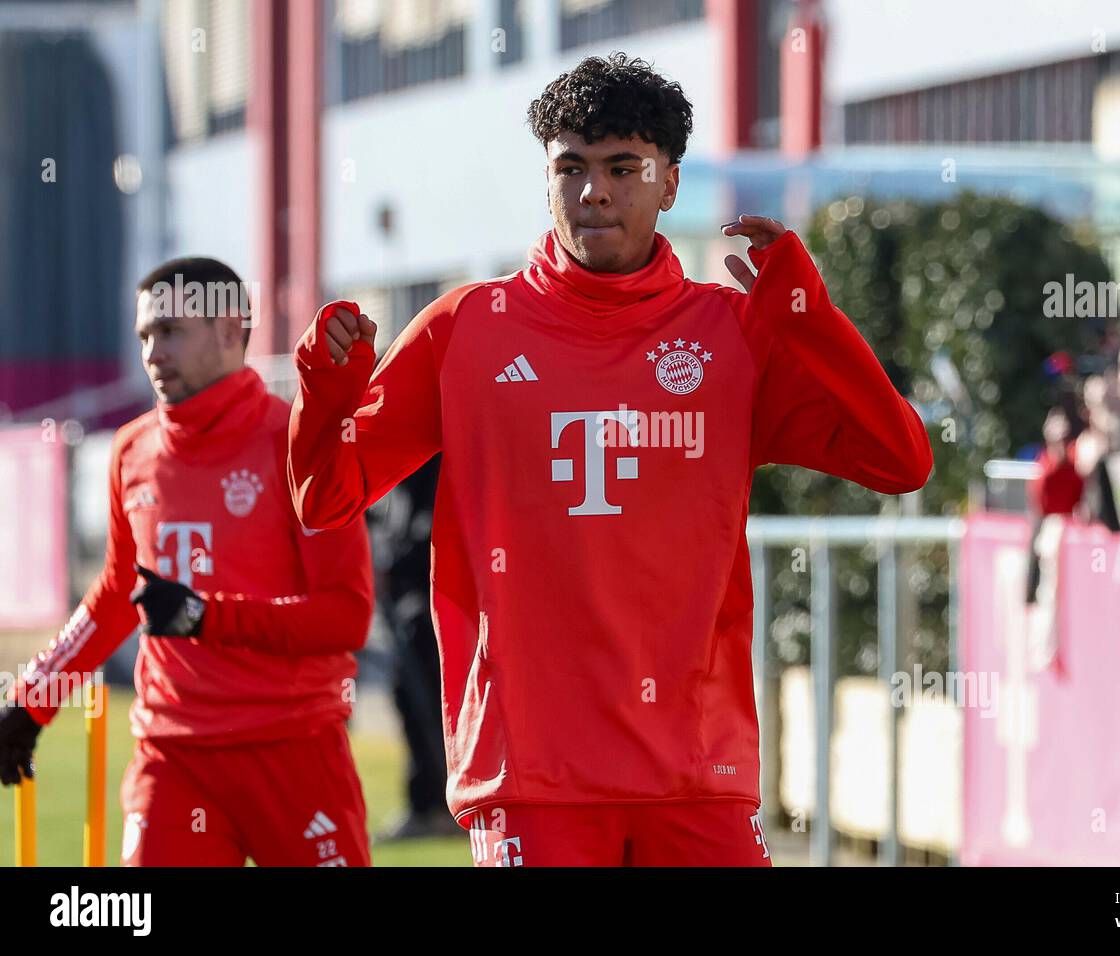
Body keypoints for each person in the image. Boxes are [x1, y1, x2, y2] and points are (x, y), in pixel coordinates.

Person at [286, 54, 932, 867]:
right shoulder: (465, 329)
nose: (594, 191)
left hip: (698, 769)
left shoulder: (730, 333)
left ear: (669, 184)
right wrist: (327, 389)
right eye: (572, 168)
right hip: (534, 776)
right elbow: (324, 496)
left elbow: (901, 458)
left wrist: (808, 318)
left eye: (624, 168)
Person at [0, 258, 374, 866]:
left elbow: (346, 616)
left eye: (171, 331)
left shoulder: (299, 441)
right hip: (173, 756)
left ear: (231, 331)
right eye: (145, 335)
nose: (152, 352)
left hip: (294, 750)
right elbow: (119, 592)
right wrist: (35, 697)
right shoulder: (132, 450)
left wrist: (208, 616)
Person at [367, 454, 458, 840]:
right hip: (405, 599)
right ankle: (426, 802)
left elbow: (430, 525)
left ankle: (447, 804)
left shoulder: (437, 453)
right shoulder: (402, 458)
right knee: (409, 699)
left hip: (429, 598)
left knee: (438, 705)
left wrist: (394, 564)